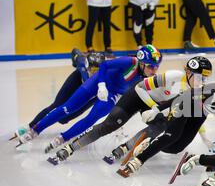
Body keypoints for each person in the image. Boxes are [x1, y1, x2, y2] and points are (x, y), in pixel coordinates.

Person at [52, 56, 215, 164]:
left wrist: (204, 136)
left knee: (163, 124)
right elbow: (140, 87)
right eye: (200, 77)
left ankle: (126, 146)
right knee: (110, 125)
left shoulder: (196, 91)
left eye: (205, 78)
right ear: (188, 73)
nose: (202, 81)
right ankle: (72, 147)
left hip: (155, 105)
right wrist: (154, 107)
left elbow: (190, 115)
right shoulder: (173, 76)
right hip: (138, 95)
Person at [17, 45, 161, 152]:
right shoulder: (130, 62)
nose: (154, 71)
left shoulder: (149, 78)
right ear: (141, 63)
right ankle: (35, 130)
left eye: (156, 67)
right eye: (151, 67)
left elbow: (141, 96)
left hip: (113, 94)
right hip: (98, 82)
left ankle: (63, 138)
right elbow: (104, 65)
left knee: (91, 119)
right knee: (67, 108)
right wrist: (102, 84)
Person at [116, 75, 215, 178]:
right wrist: (157, 110)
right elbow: (181, 97)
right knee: (172, 136)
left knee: (176, 148)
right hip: (186, 105)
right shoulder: (205, 92)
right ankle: (138, 160)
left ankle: (148, 144)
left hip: (200, 114)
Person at [10, 49, 105, 141]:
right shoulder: (82, 62)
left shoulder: (107, 76)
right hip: (77, 79)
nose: (95, 73)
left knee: (63, 120)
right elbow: (75, 51)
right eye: (93, 69)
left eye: (98, 70)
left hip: (93, 91)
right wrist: (74, 63)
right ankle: (29, 127)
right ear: (87, 65)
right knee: (57, 105)